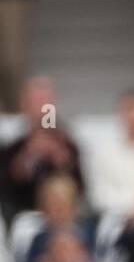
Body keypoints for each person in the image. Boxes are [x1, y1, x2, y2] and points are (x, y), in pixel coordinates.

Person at [0, 77, 85, 223]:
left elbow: (80, 188)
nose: (41, 109)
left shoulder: (68, 145)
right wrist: (26, 160)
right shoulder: (12, 148)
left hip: (63, 219)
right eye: (36, 102)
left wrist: (61, 160)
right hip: (22, 215)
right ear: (25, 106)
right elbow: (7, 188)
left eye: (46, 102)